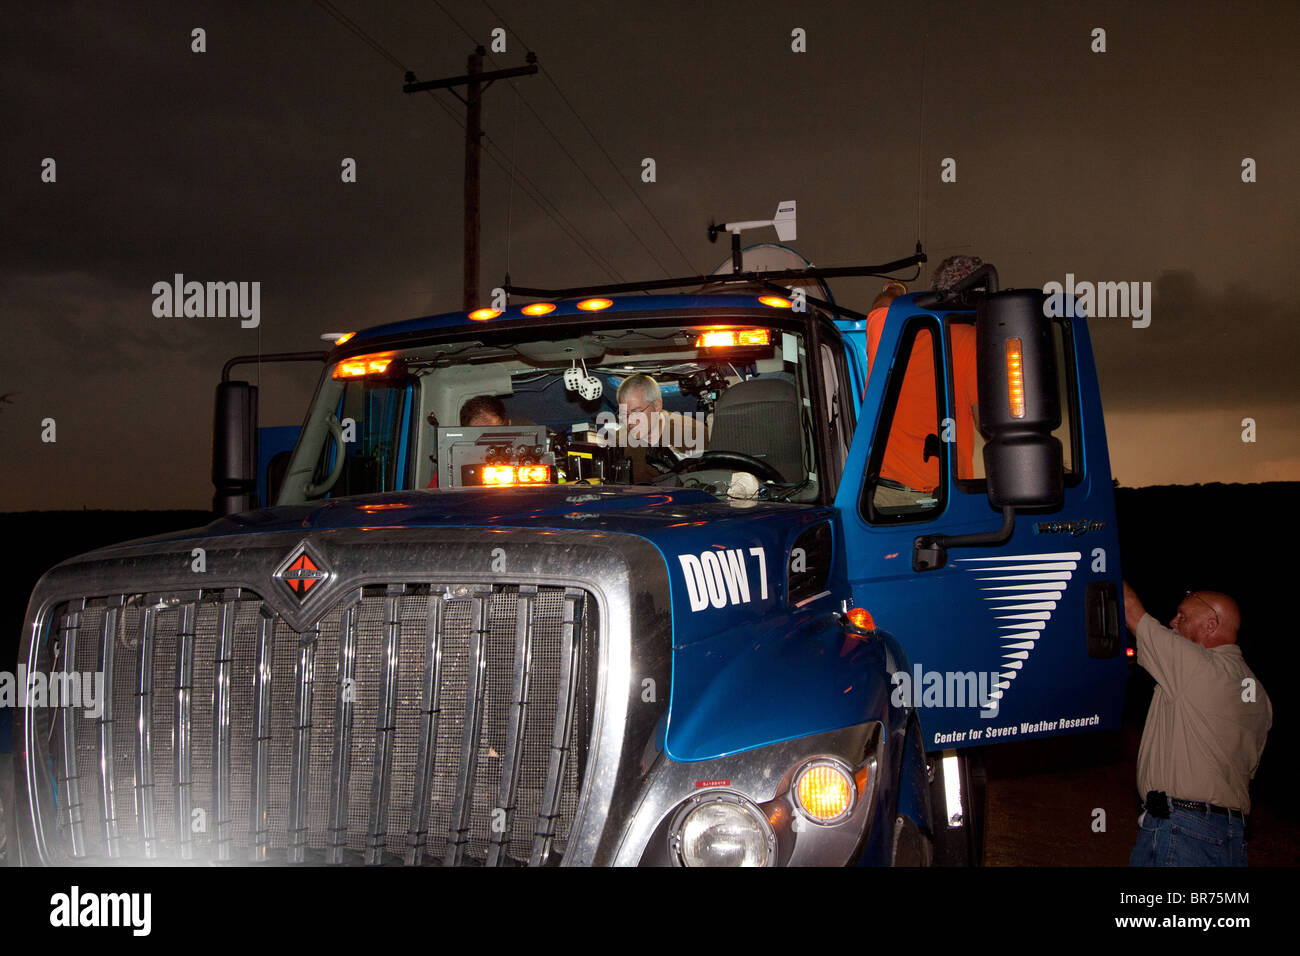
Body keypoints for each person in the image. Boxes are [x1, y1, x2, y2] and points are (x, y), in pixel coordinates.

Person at [1123, 582, 1272, 866]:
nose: (1172, 622)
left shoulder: (1195, 665)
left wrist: (1092, 549)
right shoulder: (1260, 696)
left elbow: (1132, 611)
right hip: (1230, 835)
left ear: (1211, 624)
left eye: (1183, 616)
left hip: (1183, 829)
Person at [864, 255, 981, 509]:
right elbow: (988, 421)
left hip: (881, 496)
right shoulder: (972, 342)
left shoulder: (890, 327)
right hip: (942, 498)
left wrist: (896, 288)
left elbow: (882, 304)